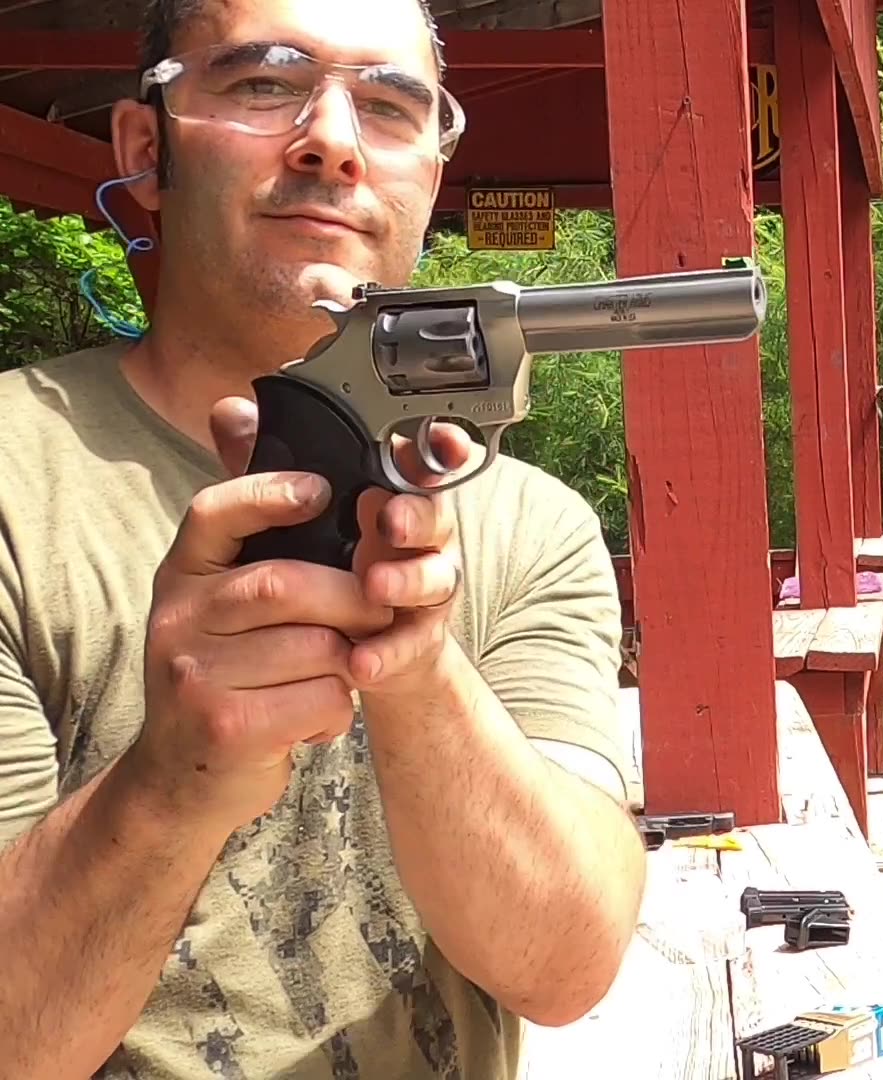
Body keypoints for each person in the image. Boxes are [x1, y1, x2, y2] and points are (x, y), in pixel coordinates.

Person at [0, 0, 651, 1075]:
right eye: (264, 83)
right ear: (143, 147)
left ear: (430, 183)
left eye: (392, 106)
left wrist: (415, 665)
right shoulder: (21, 486)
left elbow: (566, 966)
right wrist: (171, 783)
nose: (333, 141)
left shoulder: (531, 528)